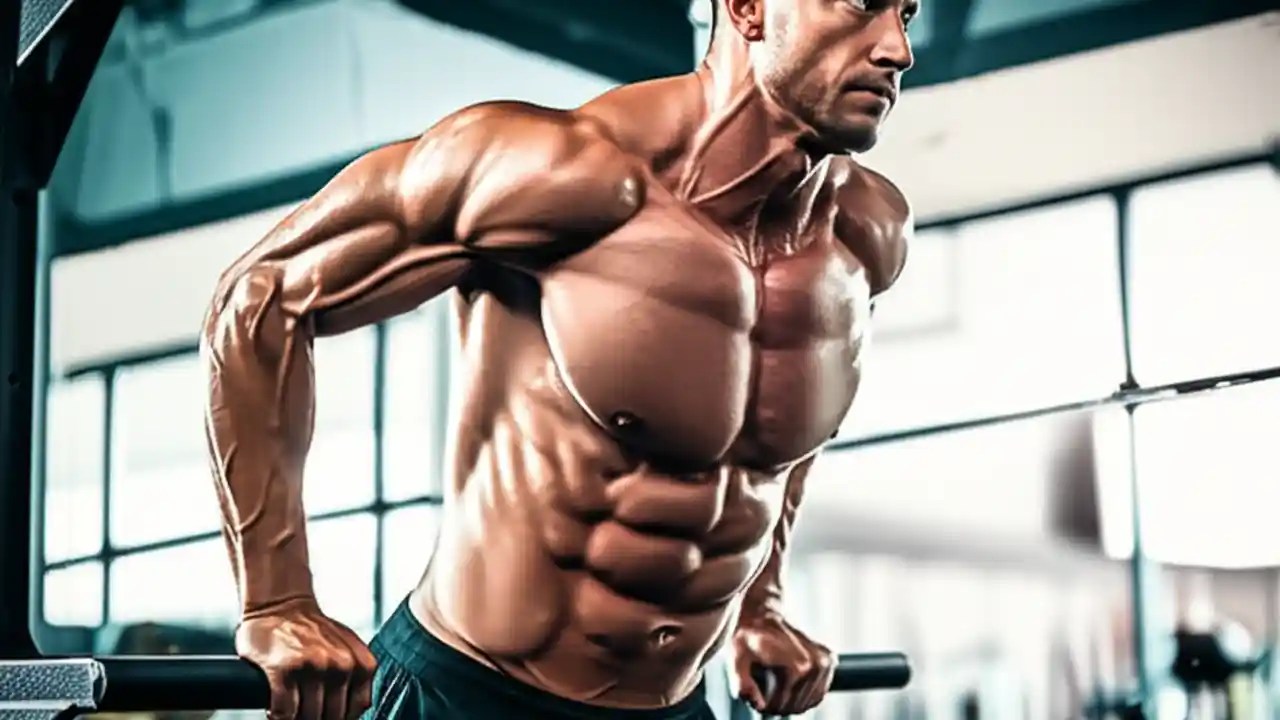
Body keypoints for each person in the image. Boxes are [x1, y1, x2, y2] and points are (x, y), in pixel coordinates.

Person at [200, 0, 918, 717]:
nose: (897, 49)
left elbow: (773, 450)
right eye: (859, 5)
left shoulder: (865, 235)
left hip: (676, 705)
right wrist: (277, 600)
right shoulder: (560, 173)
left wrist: (762, 608)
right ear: (748, 9)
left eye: (908, 13)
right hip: (467, 692)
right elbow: (260, 300)